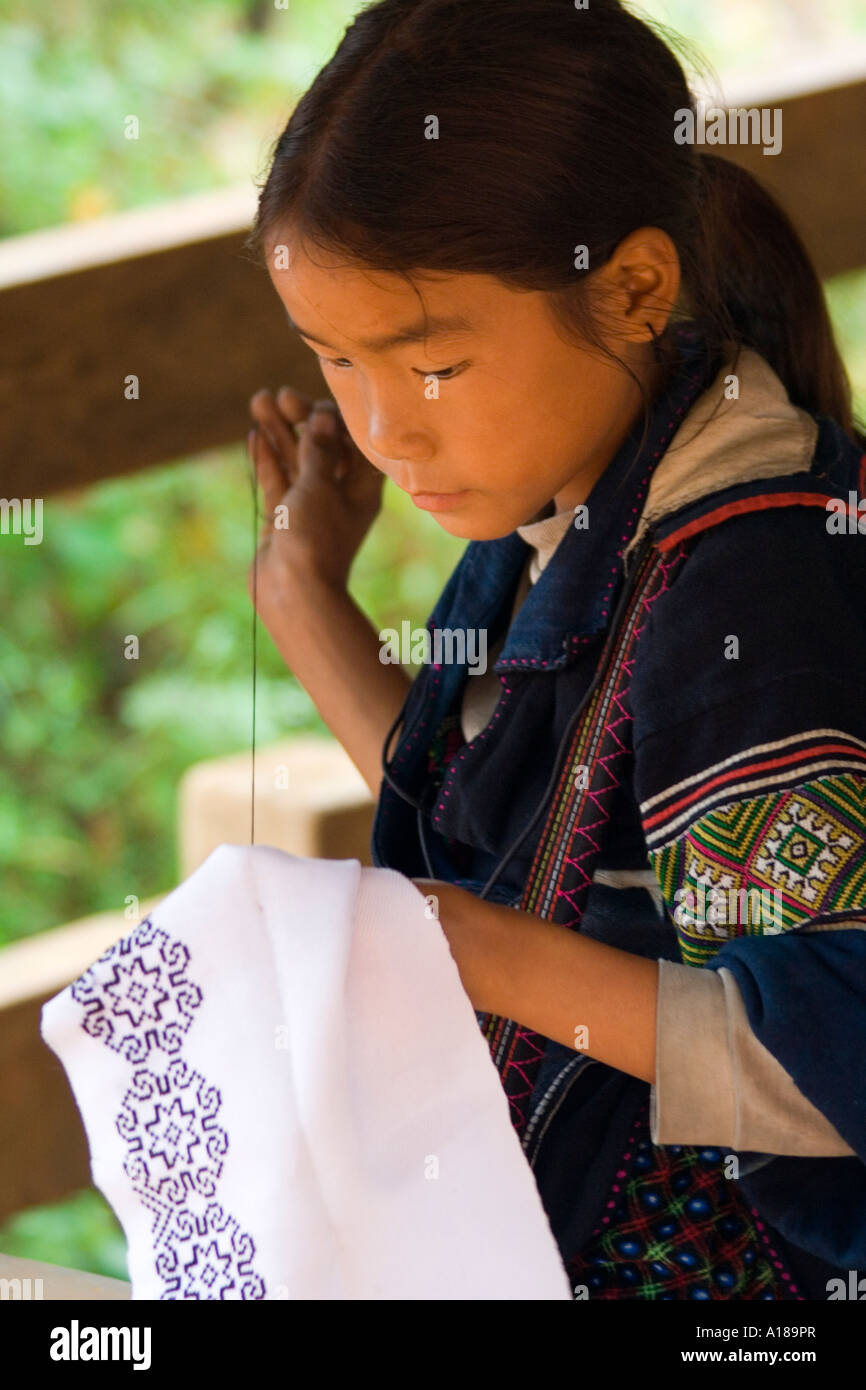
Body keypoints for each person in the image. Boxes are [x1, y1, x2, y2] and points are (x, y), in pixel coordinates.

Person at [242, 0, 866, 1299]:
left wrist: (444, 941)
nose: (378, 430)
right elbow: (533, 860)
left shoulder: (744, 579)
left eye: (432, 367)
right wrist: (306, 600)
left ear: (633, 288)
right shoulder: (580, 494)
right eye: (332, 361)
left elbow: (827, 1056)